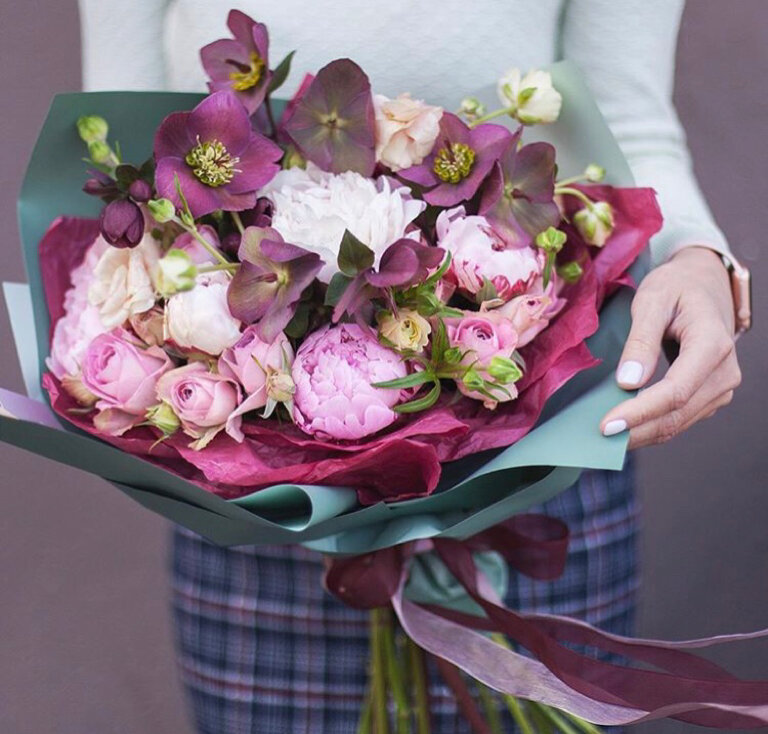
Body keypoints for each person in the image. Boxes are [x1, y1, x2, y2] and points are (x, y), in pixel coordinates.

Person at [78, 1, 744, 732]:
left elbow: (628, 123)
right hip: (264, 511)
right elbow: (130, 176)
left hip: (535, 457)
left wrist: (697, 257)